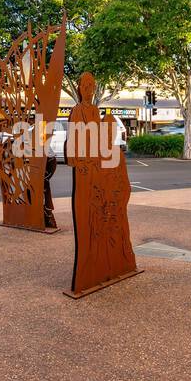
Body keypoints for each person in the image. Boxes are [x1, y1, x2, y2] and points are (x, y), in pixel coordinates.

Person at [66, 73, 137, 295]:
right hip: (86, 170)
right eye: (86, 86)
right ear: (79, 88)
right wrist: (82, 160)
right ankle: (92, 264)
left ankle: (111, 260)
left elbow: (99, 139)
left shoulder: (95, 112)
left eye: (92, 86)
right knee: (90, 220)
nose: (89, 90)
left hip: (97, 167)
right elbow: (75, 143)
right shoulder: (77, 111)